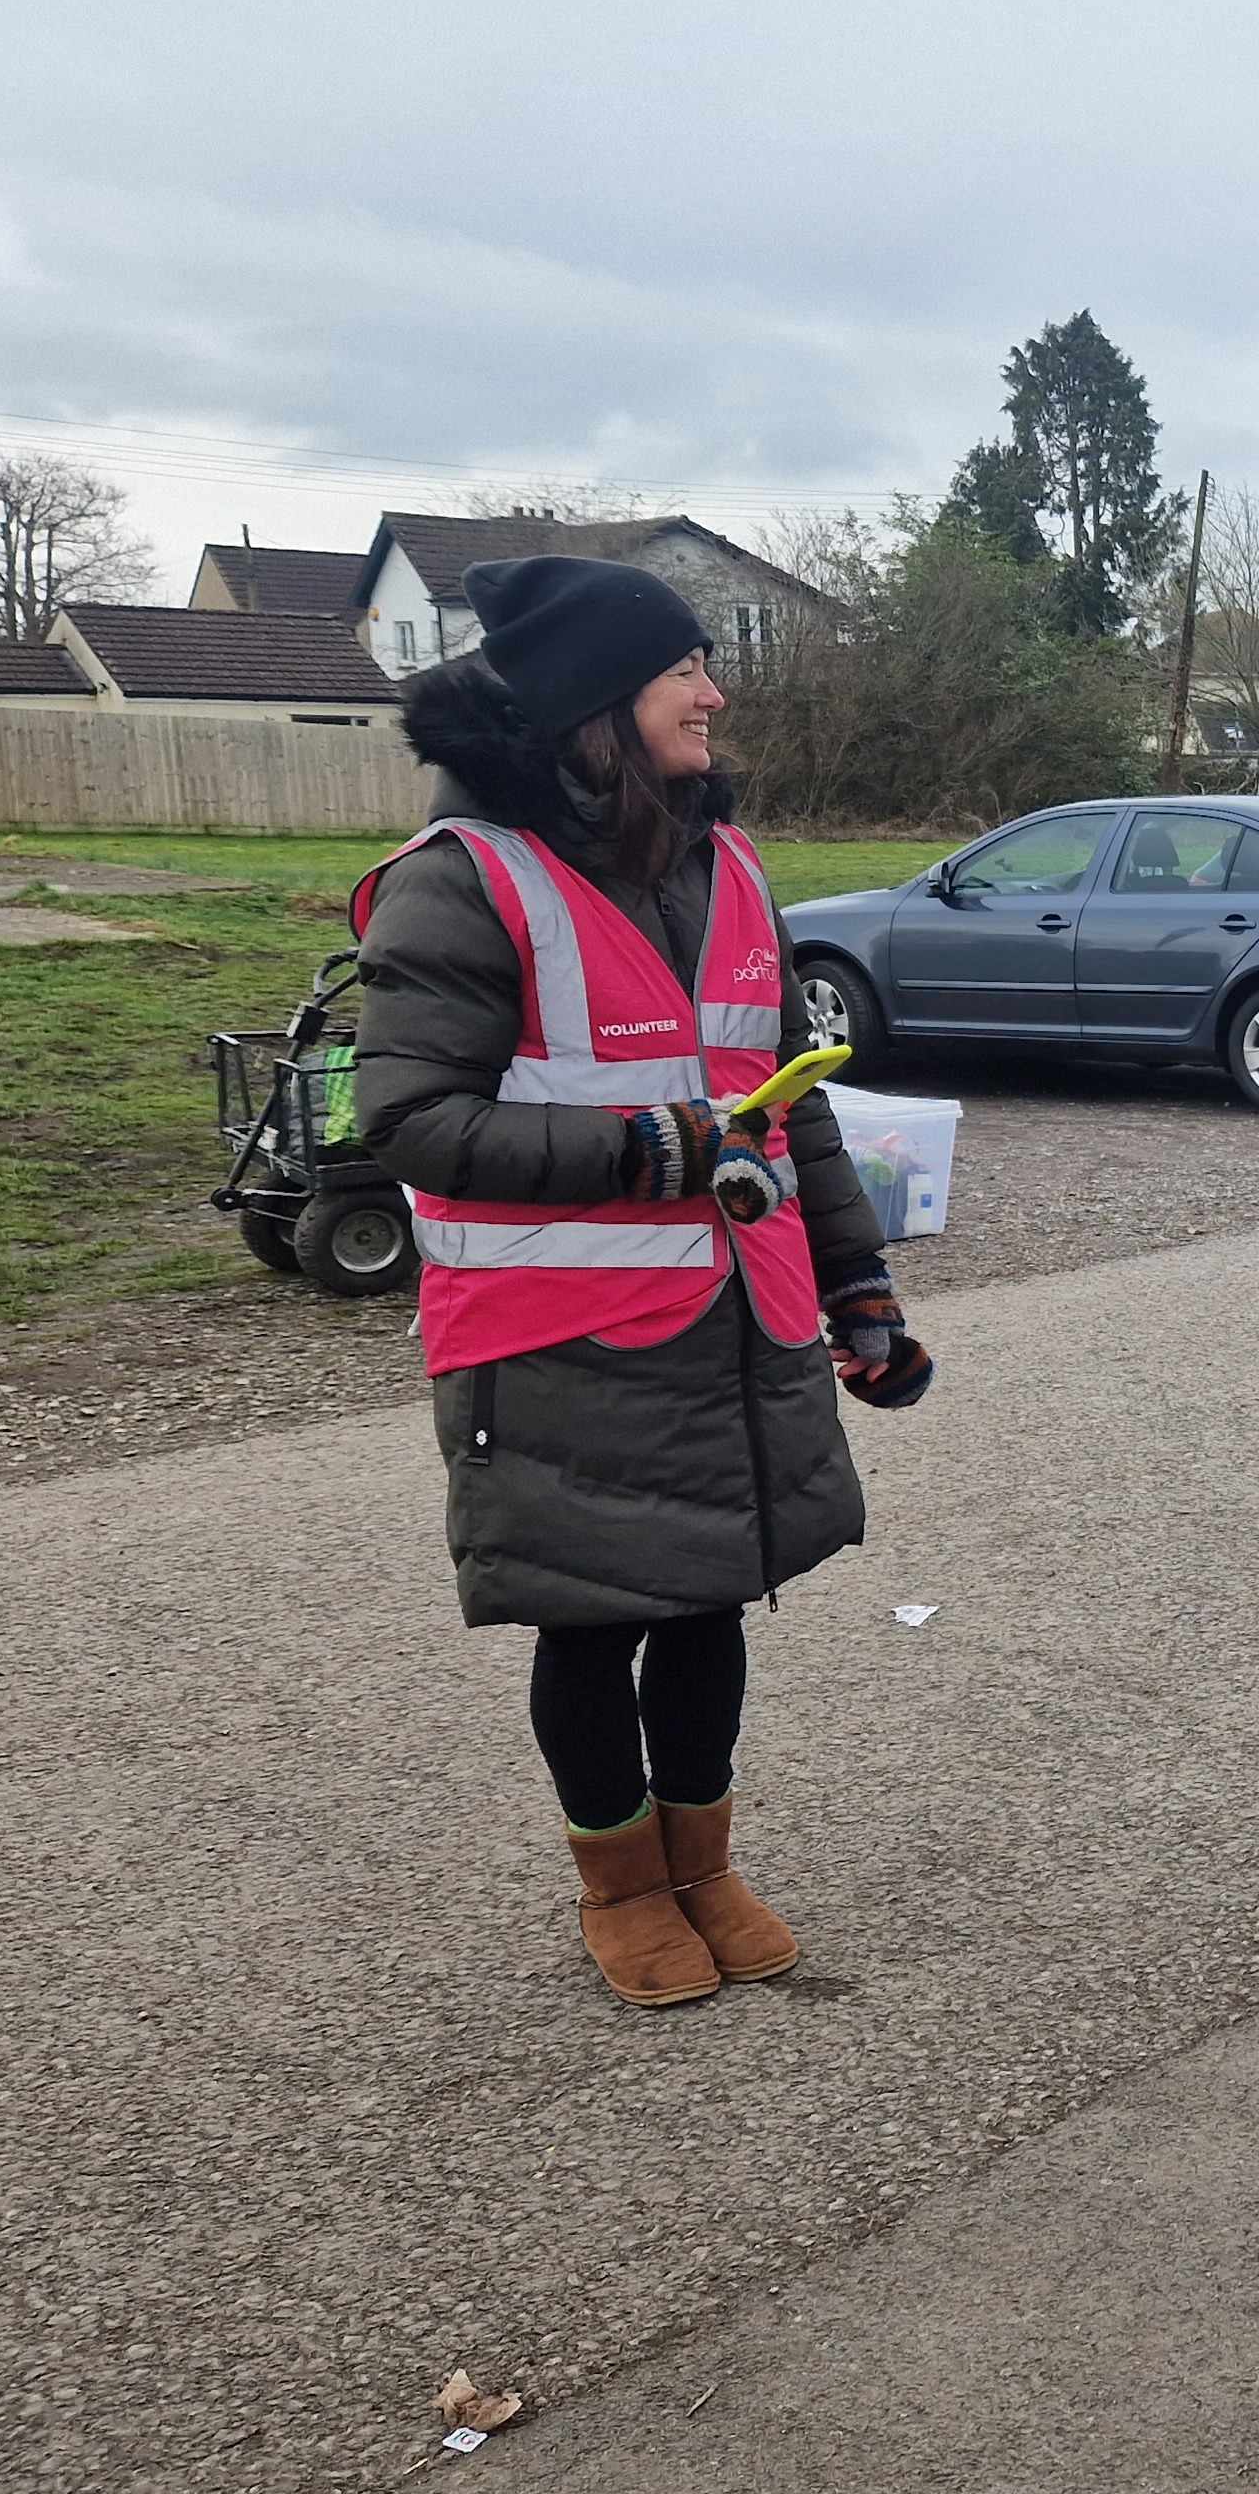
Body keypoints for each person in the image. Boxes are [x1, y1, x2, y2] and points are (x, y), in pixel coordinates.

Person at [355, 557, 939, 2010]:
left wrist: (860, 1287)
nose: (713, 694)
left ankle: (703, 1868)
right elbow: (409, 1121)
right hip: (558, 1335)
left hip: (737, 1315)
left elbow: (786, 1101)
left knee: (707, 1607)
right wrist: (648, 1149)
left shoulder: (724, 863)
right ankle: (620, 1887)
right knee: (592, 1618)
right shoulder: (465, 878)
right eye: (685, 668)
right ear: (598, 699)